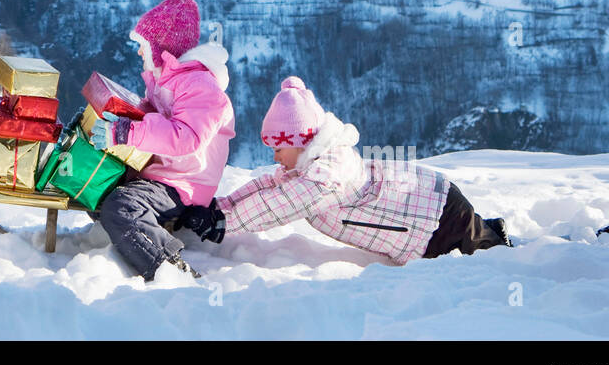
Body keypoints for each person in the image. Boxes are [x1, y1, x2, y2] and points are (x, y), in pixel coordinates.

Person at [179, 77, 512, 263]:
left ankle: (510, 244)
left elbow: (286, 203)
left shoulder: (328, 174)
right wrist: (219, 208)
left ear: (299, 142)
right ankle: (492, 232)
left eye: (278, 148)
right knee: (483, 242)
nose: (276, 157)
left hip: (435, 220)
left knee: (491, 262)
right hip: (431, 209)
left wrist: (223, 224)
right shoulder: (310, 164)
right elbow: (270, 186)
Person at [89, 0, 235, 281]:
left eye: (143, 46)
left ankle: (168, 267)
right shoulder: (165, 81)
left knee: (122, 208)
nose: (139, 53)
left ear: (160, 48)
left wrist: (127, 131)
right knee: (97, 185)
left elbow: (186, 138)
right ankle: (137, 235)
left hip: (185, 182)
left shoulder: (201, 86)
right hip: (165, 172)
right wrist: (127, 113)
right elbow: (157, 119)